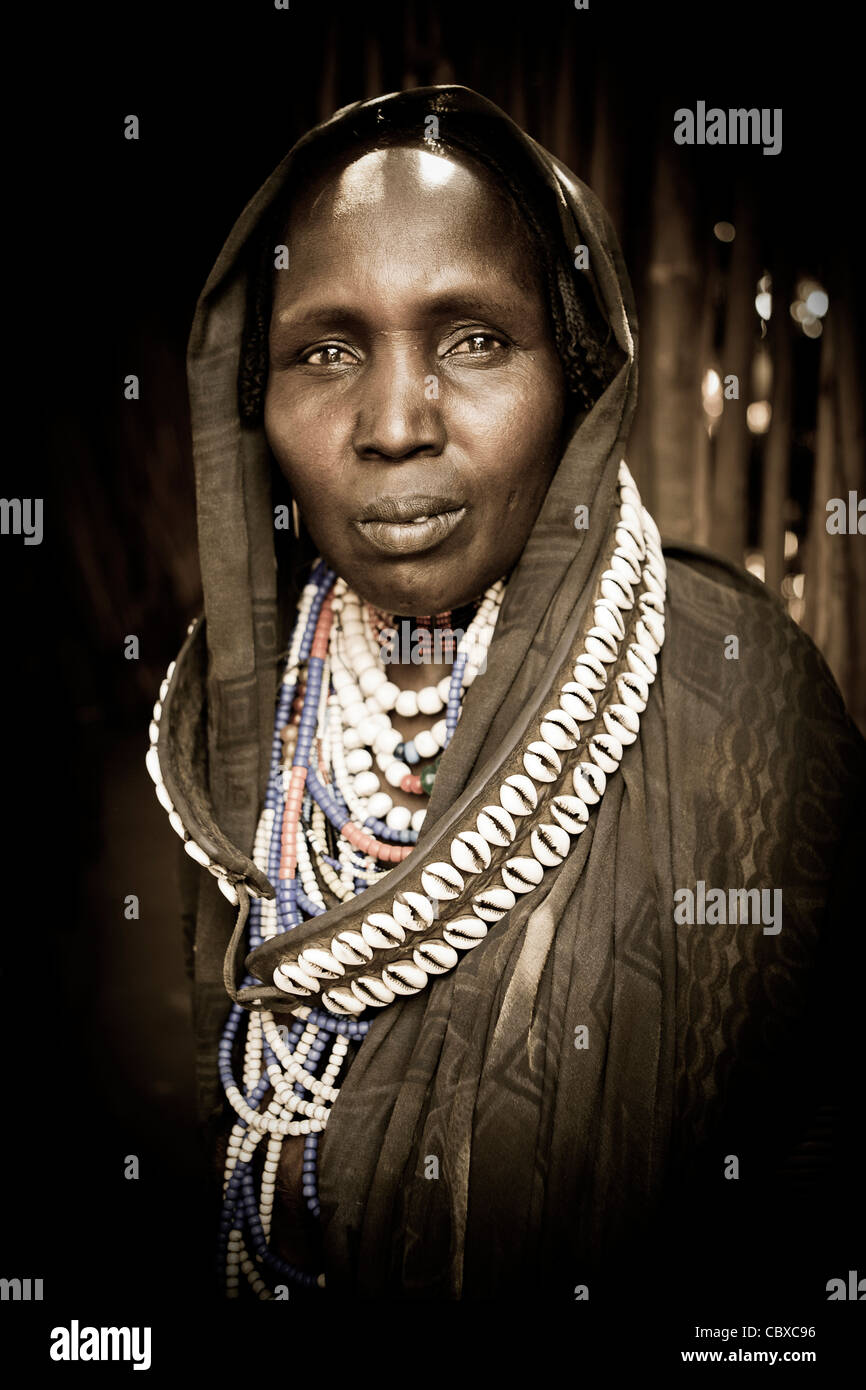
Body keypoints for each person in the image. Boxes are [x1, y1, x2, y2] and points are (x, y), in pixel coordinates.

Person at [146, 85, 865, 1304]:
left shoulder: (732, 698)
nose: (390, 424)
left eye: (472, 338)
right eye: (324, 350)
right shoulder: (245, 712)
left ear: (575, 369)